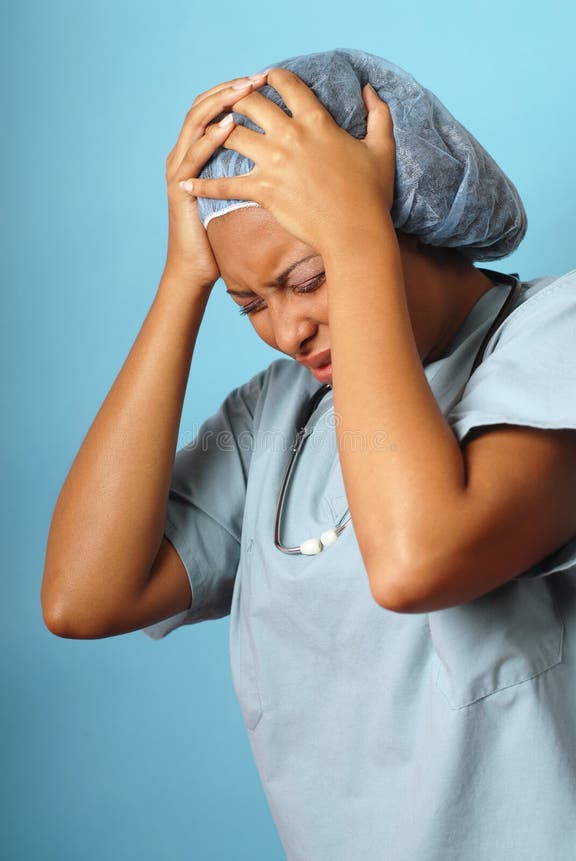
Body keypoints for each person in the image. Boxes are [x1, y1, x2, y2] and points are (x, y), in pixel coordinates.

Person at [42, 50, 576, 860]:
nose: (287, 331)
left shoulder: (553, 336)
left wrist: (353, 230)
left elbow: (413, 561)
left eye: (309, 278)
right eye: (250, 302)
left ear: (408, 217)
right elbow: (83, 597)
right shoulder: (276, 417)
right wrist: (186, 277)